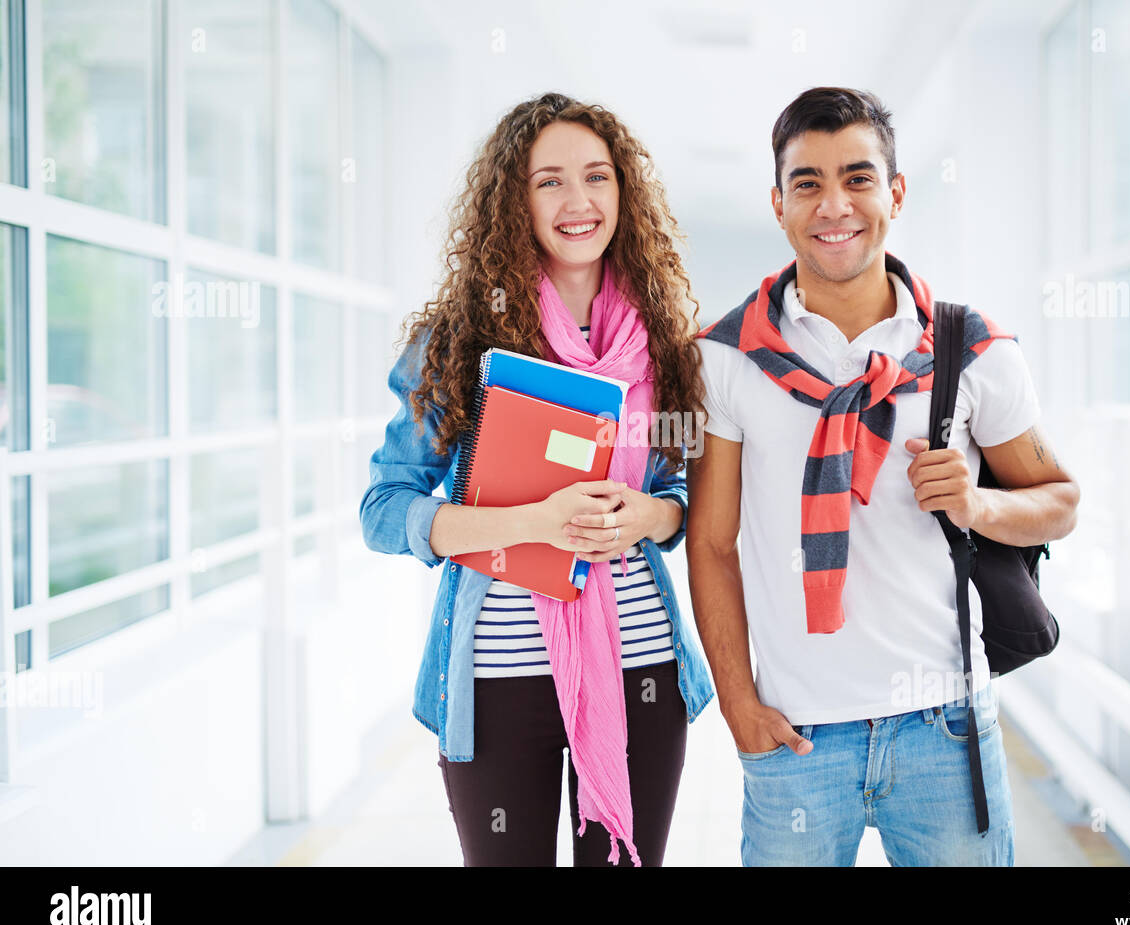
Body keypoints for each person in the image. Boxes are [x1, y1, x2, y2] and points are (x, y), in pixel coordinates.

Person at [686, 86, 1080, 866]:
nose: (834, 204)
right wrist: (737, 702)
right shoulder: (724, 358)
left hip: (947, 727)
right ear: (778, 204)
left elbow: (1060, 502)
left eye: (858, 178)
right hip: (796, 736)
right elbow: (712, 543)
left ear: (894, 193)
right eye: (808, 183)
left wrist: (979, 506)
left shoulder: (971, 347)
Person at [359, 92, 714, 867]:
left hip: (639, 670)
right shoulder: (457, 342)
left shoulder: (663, 344)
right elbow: (383, 510)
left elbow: (682, 496)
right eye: (548, 180)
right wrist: (530, 523)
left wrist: (649, 517)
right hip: (497, 678)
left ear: (625, 191)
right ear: (513, 201)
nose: (577, 201)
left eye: (597, 176)